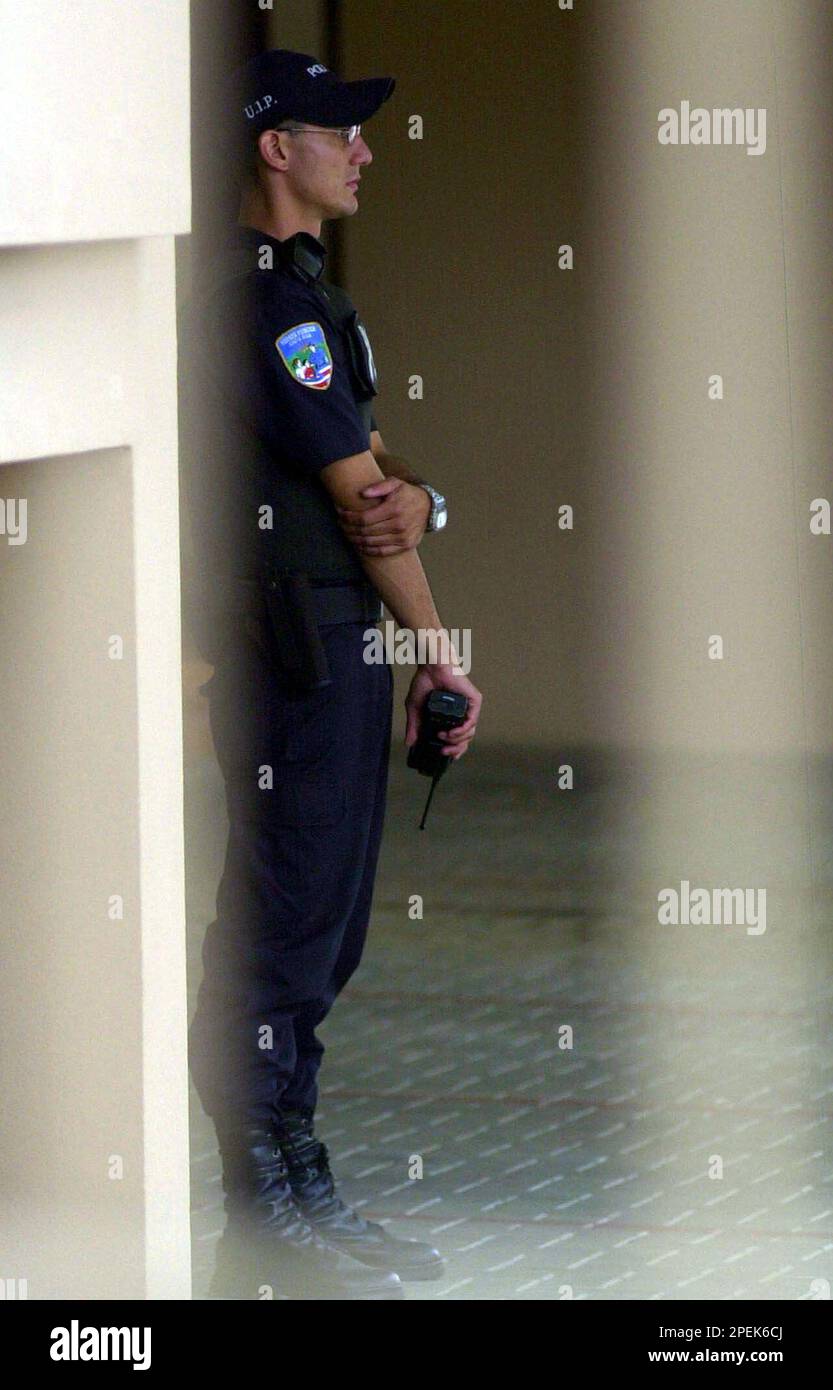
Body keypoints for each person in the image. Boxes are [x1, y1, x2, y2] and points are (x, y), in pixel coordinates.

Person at [179, 48, 482, 1300]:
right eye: (339, 132)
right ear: (273, 148)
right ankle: (261, 1201)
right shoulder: (263, 306)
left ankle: (301, 1179)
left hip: (331, 632)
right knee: (283, 922)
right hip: (295, 638)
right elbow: (365, 504)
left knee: (327, 925)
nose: (362, 150)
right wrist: (439, 647)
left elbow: (379, 472)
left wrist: (423, 494)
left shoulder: (305, 297)